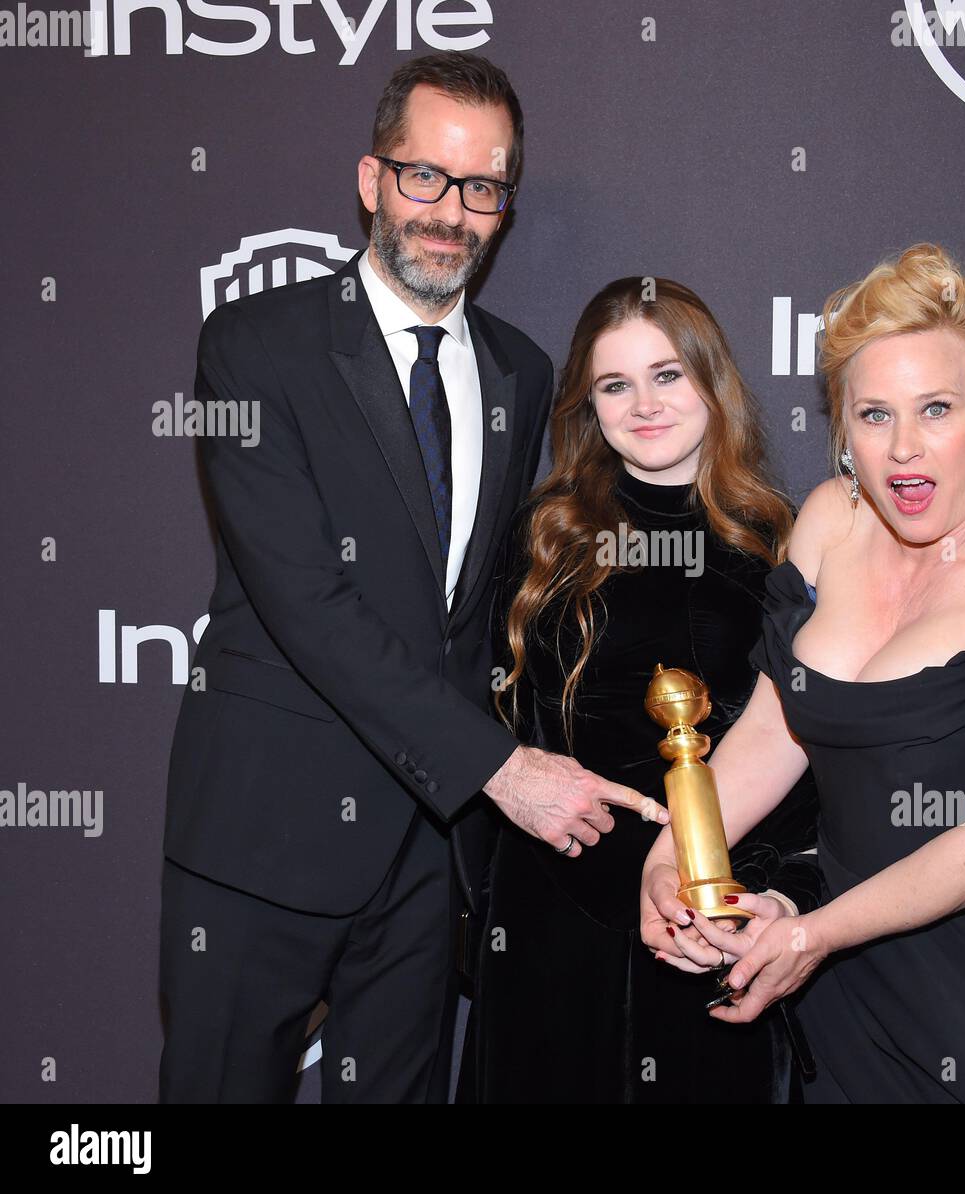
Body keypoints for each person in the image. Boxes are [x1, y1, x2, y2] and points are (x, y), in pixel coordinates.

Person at [159, 52, 665, 1105]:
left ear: (504, 206)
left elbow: (487, 616)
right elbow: (307, 603)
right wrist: (499, 769)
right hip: (264, 839)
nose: (451, 212)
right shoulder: (256, 347)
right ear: (370, 178)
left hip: (433, 858)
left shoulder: (521, 374)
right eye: (424, 176)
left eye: (482, 187)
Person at [641, 243, 965, 1103]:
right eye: (874, 416)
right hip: (847, 995)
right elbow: (773, 729)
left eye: (937, 408)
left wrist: (818, 935)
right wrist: (671, 858)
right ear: (842, 426)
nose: (904, 449)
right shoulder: (831, 522)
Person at [457, 278, 820, 1103]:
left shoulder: (785, 544)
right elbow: (506, 735)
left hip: (718, 919)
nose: (643, 404)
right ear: (589, 404)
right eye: (615, 384)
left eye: (667, 375)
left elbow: (804, 748)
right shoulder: (543, 536)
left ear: (711, 380)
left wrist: (766, 897)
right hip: (559, 907)